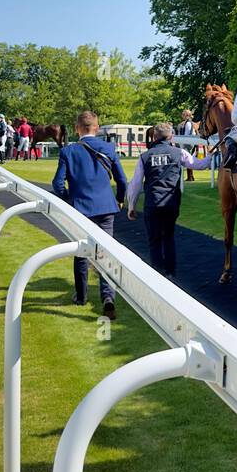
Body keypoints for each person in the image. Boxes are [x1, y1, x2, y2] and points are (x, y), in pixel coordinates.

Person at [52, 111, 128, 319]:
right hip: (106, 208)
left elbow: (57, 184)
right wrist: (120, 198)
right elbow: (122, 181)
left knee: (82, 252)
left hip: (80, 208)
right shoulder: (109, 148)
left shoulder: (68, 151)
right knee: (106, 252)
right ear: (97, 127)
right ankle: (108, 296)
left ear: (77, 128)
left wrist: (70, 199)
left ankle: (82, 296)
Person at [126, 121, 211, 278]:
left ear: (155, 136)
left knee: (154, 240)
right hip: (171, 203)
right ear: (171, 136)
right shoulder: (179, 153)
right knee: (169, 237)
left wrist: (131, 205)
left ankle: (158, 275)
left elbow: (136, 183)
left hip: (152, 203)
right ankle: (171, 273)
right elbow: (200, 165)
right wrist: (212, 154)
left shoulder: (145, 156)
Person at [177, 109, 198, 182]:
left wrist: (181, 143)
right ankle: (190, 177)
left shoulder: (188, 123)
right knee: (188, 160)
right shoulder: (187, 123)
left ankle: (190, 177)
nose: (182, 116)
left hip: (188, 144)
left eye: (183, 114)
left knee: (188, 160)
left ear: (187, 115)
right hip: (188, 143)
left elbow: (187, 135)